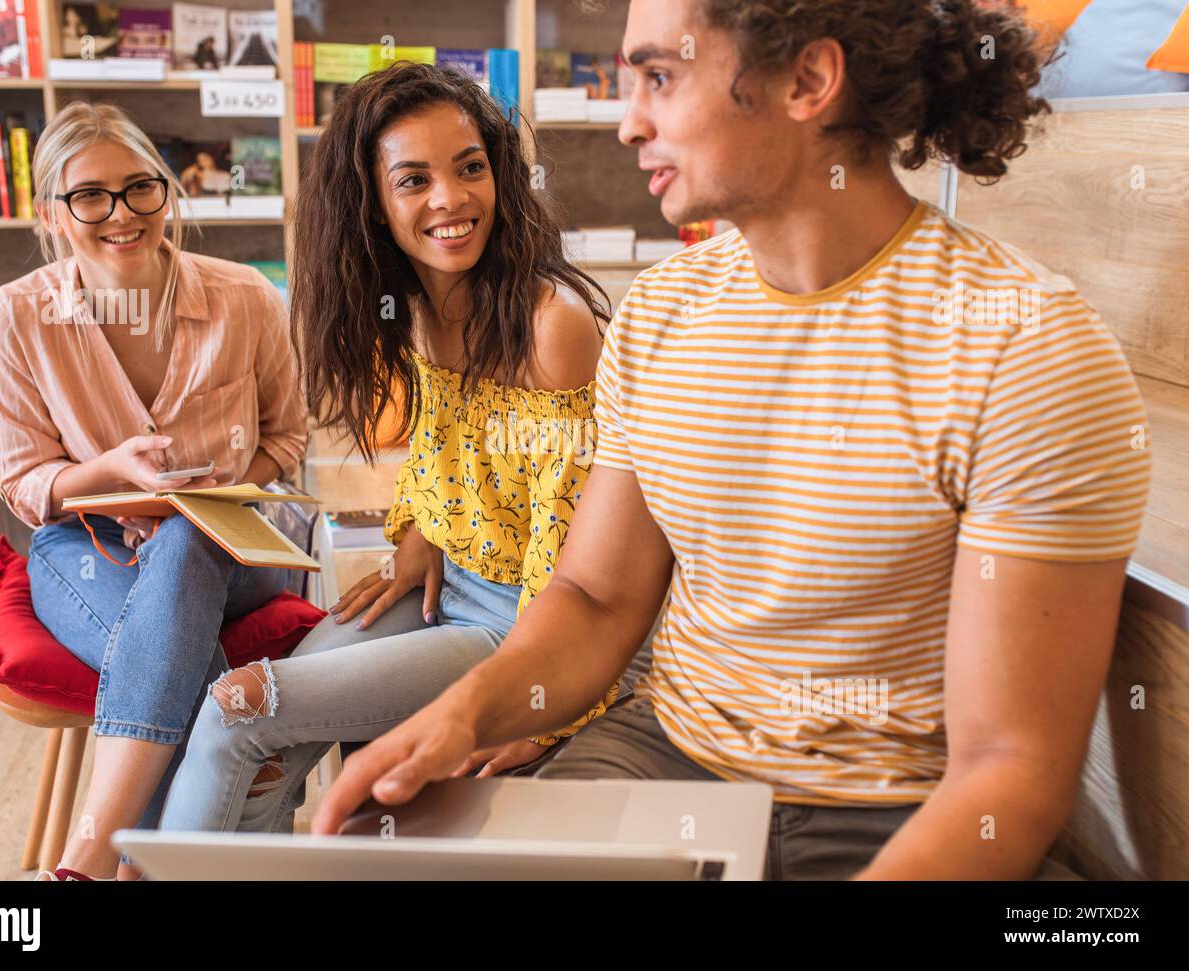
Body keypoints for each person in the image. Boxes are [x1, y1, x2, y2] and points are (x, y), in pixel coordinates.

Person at [312, 0, 1153, 880]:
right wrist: (464, 714)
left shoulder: (1027, 346)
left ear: (808, 82)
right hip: (661, 753)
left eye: (661, 77)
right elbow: (597, 597)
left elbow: (1007, 771)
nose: (630, 118)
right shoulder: (662, 313)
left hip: (889, 815)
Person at [157, 62, 616, 835]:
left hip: (522, 625)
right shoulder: (408, 307)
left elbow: (567, 546)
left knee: (238, 707)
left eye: (470, 167)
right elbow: (440, 452)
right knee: (266, 751)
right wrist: (418, 529)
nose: (451, 199)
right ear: (371, 203)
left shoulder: (553, 324)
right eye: (414, 180)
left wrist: (540, 699)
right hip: (442, 583)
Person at [0, 101, 308, 880]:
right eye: (90, 195)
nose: (121, 214)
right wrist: (112, 474)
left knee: (189, 541)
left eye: (140, 188)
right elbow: (26, 482)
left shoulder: (248, 299)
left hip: (235, 548)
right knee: (178, 630)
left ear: (168, 191)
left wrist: (216, 496)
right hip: (86, 547)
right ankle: (141, 868)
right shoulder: (17, 317)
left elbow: (287, 439)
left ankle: (88, 860)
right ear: (50, 212)